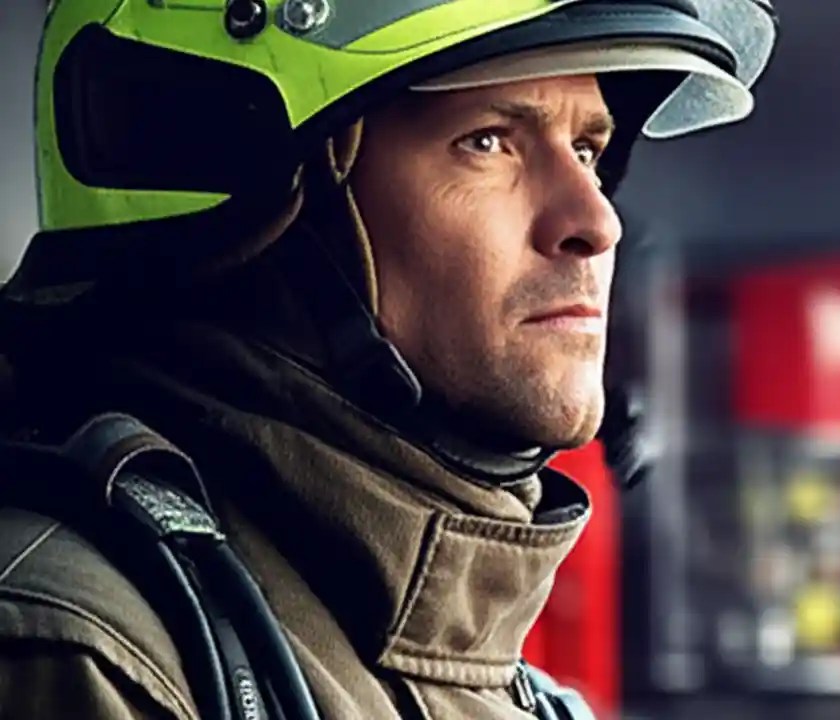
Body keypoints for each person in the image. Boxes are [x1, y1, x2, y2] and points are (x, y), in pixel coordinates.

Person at [0, 0, 777, 718]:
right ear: (264, 206)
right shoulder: (90, 650)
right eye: (489, 141)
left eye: (585, 148)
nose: (596, 220)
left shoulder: (509, 686)